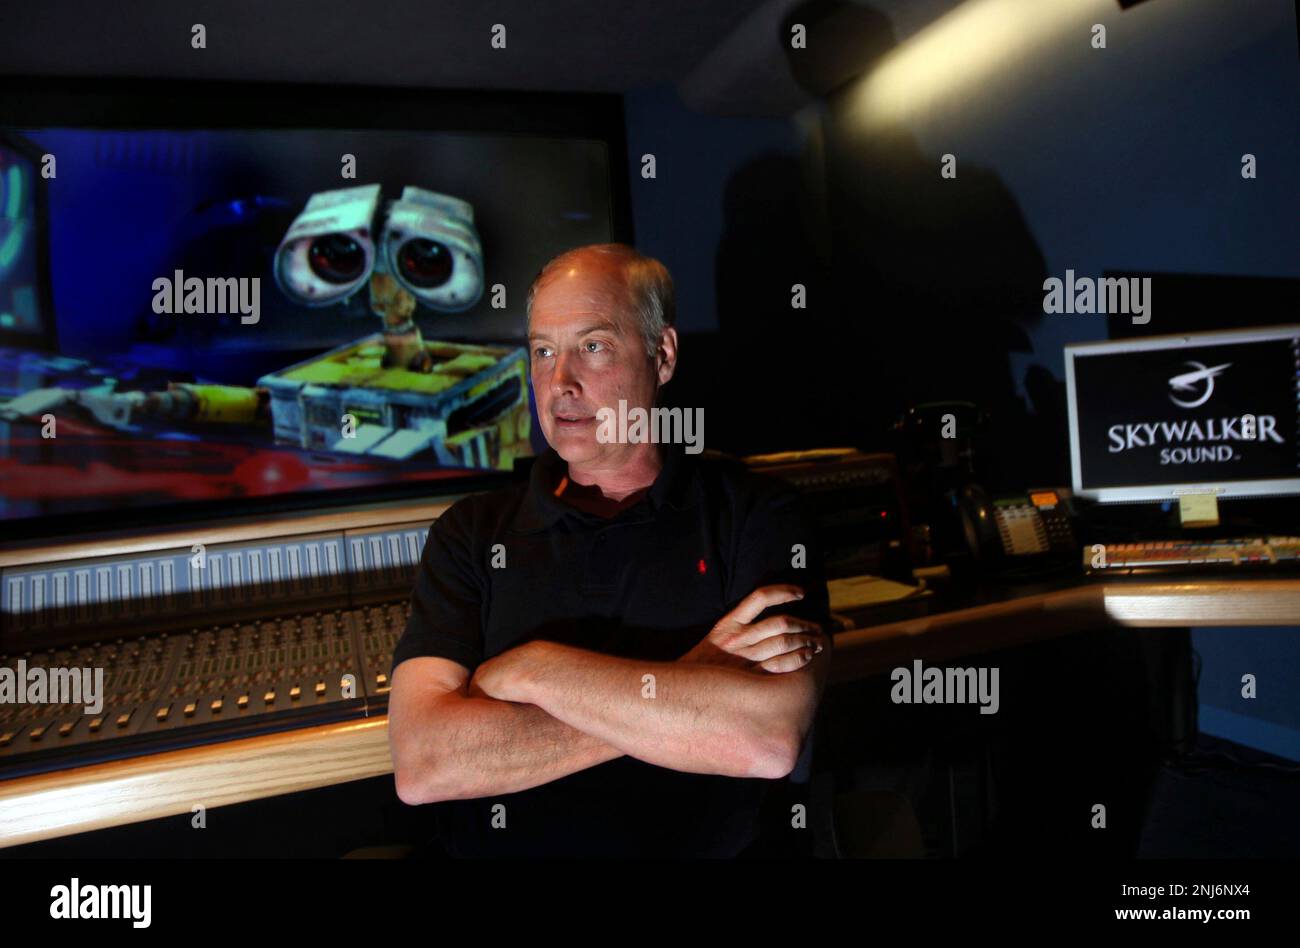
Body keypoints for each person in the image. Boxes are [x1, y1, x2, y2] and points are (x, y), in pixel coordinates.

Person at [387, 243, 833, 857]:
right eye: (543, 351)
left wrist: (533, 669)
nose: (560, 382)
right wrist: (690, 679)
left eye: (592, 346)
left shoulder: (759, 514)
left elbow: (766, 739)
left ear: (663, 354)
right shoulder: (468, 534)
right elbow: (425, 763)